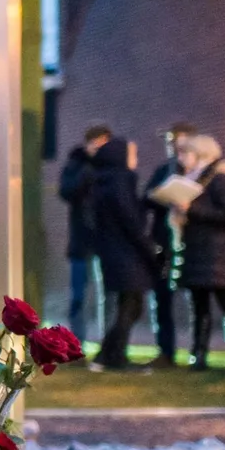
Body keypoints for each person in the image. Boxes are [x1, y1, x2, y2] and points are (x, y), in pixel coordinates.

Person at [163, 133, 225, 374]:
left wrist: (193, 209)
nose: (182, 158)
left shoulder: (219, 179)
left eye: (186, 153)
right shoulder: (193, 179)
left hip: (216, 254)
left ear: (200, 154)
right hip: (196, 252)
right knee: (199, 307)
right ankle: (198, 356)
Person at [86, 137, 159, 371]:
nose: (135, 160)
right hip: (127, 254)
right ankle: (115, 356)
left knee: (128, 306)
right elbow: (131, 220)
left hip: (112, 252)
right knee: (131, 305)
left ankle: (107, 354)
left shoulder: (102, 182)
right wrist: (149, 249)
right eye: (132, 154)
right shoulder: (121, 181)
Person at [141, 122, 197, 367]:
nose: (173, 146)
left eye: (178, 141)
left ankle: (198, 352)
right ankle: (166, 351)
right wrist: (162, 197)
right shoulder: (164, 170)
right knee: (161, 297)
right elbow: (147, 197)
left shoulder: (198, 172)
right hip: (163, 244)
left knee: (196, 299)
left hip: (191, 243)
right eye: (171, 142)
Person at [57, 124, 112, 347]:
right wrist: (86, 175)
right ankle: (77, 341)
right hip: (81, 241)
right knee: (79, 296)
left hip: (105, 242)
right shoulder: (77, 165)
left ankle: (108, 341)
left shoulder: (110, 168)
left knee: (106, 295)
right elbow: (67, 191)